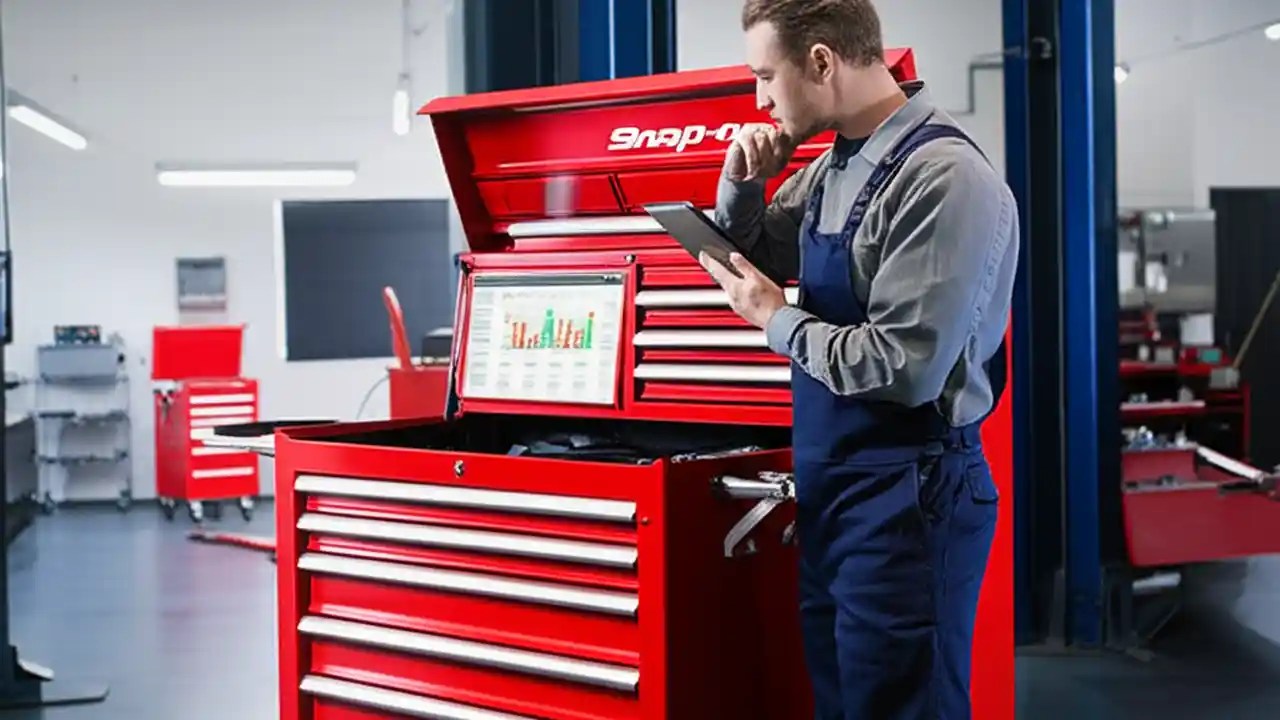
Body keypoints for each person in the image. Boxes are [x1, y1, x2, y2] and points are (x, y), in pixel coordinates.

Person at [699, 1, 1019, 718]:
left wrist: (777, 322)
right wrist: (744, 182)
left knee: (904, 705)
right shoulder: (832, 170)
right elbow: (757, 255)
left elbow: (904, 368)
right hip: (838, 493)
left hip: (912, 495)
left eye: (765, 77)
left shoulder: (942, 178)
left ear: (820, 62)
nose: (760, 99)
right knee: (848, 704)